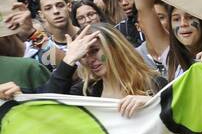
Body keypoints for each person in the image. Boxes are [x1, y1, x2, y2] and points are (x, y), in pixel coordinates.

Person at [1, 23, 164, 117]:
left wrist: (156, 103)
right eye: (83, 55)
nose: (89, 59)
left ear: (114, 48)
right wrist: (69, 60)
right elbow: (48, 105)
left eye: (94, 50)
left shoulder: (153, 83)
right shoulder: (85, 91)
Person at [32, 0, 75, 68]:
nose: (56, 11)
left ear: (69, 7)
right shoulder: (43, 52)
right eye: (48, 8)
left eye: (60, 5)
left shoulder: (89, 34)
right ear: (41, 15)